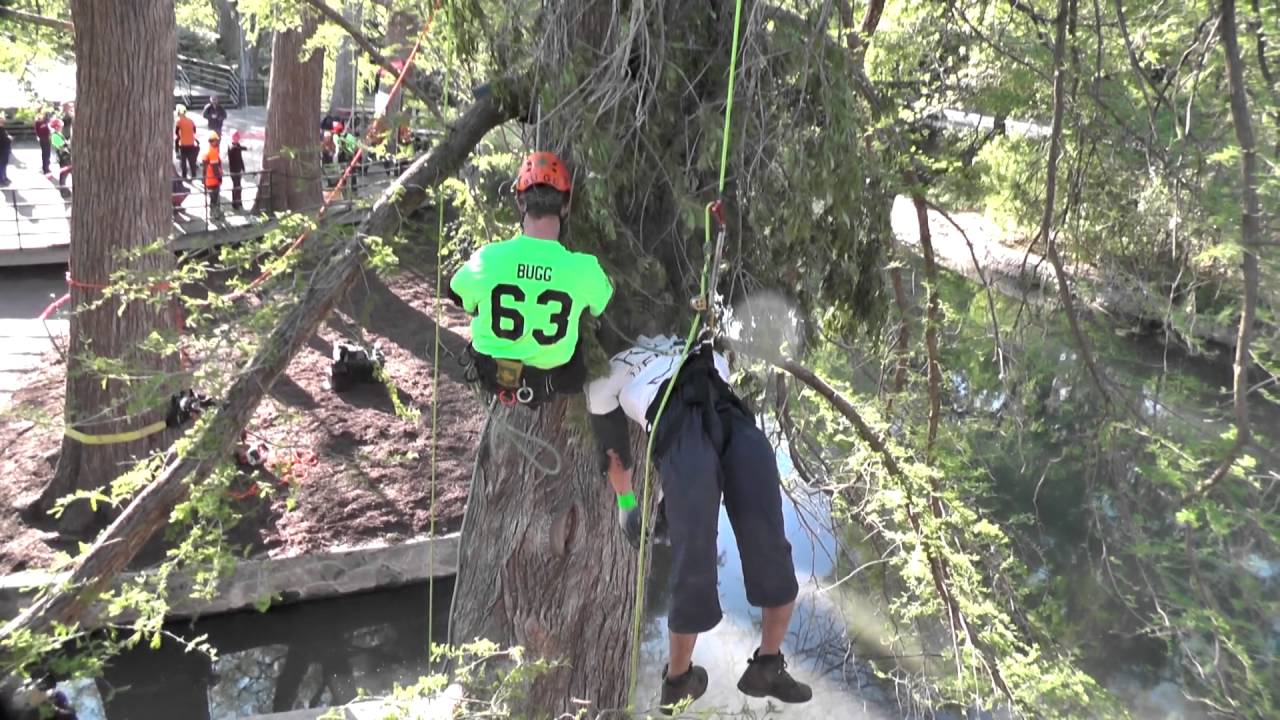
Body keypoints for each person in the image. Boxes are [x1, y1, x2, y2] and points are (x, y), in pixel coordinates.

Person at [586, 337, 813, 714]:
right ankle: (678, 681)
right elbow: (614, 454)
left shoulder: (697, 340)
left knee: (770, 543)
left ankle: (768, 667)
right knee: (694, 558)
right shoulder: (611, 370)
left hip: (731, 418)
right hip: (677, 431)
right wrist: (627, 505)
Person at [448, 151, 613, 407]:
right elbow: (602, 302)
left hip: (494, 375)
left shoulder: (488, 258)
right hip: (552, 378)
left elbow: (457, 294)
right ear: (566, 206)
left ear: (521, 204)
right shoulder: (584, 268)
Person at [202, 131, 223, 218]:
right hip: (213, 180)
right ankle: (215, 214)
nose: (218, 142)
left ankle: (212, 214)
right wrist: (219, 178)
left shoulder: (207, 151)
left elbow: (204, 166)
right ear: (213, 141)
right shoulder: (213, 152)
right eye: (216, 141)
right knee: (214, 198)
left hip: (208, 179)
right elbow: (214, 168)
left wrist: (203, 179)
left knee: (212, 198)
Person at [175, 105, 199, 180]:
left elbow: (176, 132)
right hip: (191, 144)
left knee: (183, 161)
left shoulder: (179, 122)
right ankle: (194, 175)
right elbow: (194, 131)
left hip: (183, 145)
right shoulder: (191, 121)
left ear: (178, 113)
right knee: (192, 161)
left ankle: (184, 176)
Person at [227, 129, 246, 211]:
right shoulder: (231, 147)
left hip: (238, 169)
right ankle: (235, 203)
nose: (236, 140)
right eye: (235, 138)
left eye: (237, 138)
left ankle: (239, 201)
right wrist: (234, 147)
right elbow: (230, 154)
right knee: (236, 186)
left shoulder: (238, 146)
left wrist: (243, 167)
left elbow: (240, 156)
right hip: (233, 170)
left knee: (239, 186)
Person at [50, 118, 71, 187]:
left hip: (65, 155)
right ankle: (63, 189)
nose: (62, 127)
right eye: (60, 126)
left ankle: (63, 187)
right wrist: (67, 145)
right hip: (63, 156)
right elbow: (61, 146)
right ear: (56, 127)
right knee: (63, 173)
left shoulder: (59, 134)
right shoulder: (55, 136)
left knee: (67, 172)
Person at [0, 114, 11, 186]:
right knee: (2, 164)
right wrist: (9, 139)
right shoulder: (1, 129)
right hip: (2, 149)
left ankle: (4, 177)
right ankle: (1, 179)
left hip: (5, 149)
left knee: (4, 164)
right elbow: (2, 139)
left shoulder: (2, 129)